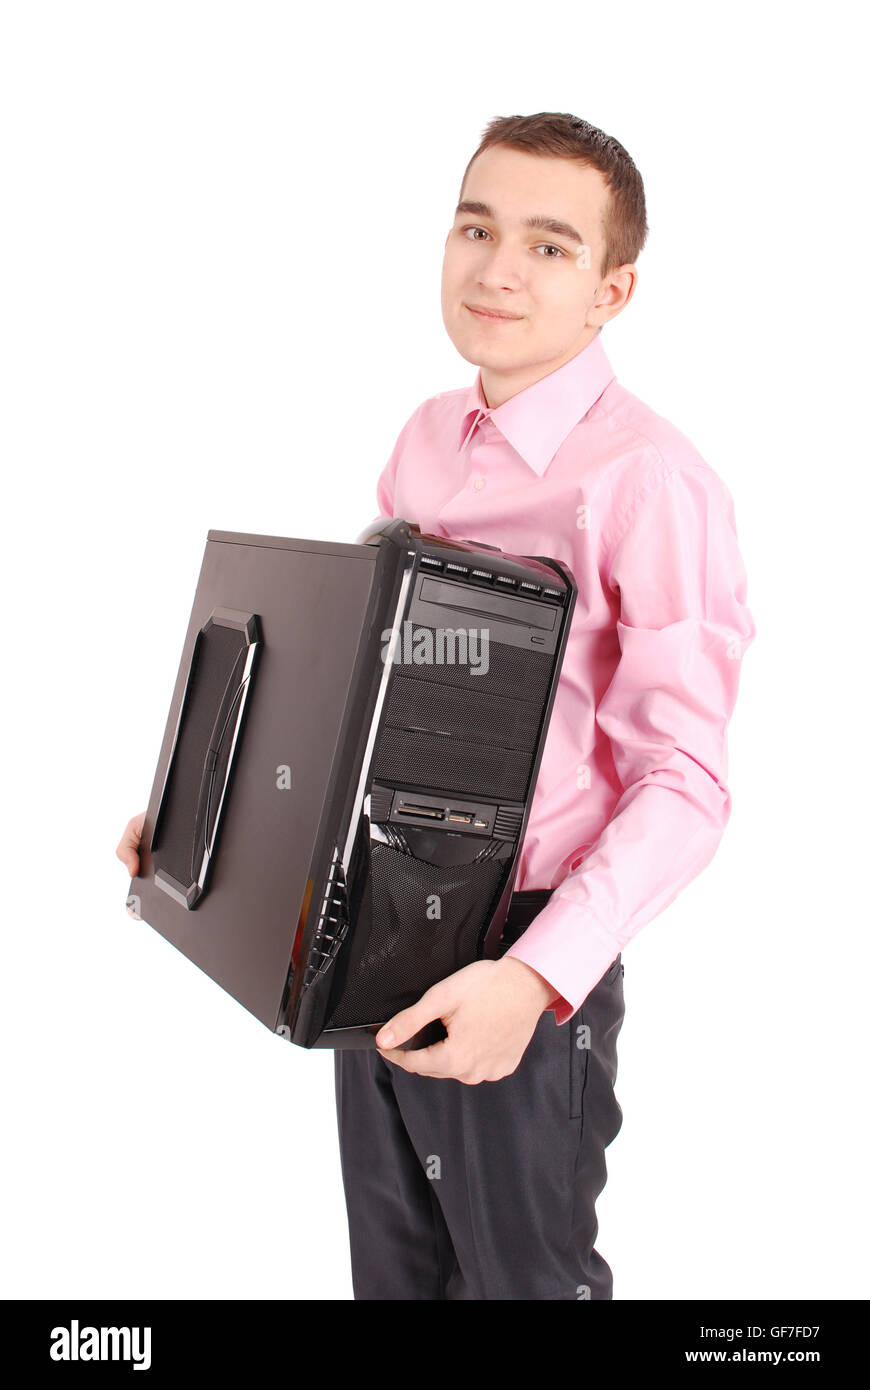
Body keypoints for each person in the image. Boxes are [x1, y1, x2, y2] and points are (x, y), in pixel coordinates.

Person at [118, 112, 756, 1300]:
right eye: (477, 225)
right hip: (376, 925)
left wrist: (536, 978)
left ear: (613, 289)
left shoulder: (654, 484)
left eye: (551, 246)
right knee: (396, 1280)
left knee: (522, 1283)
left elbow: (688, 785)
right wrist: (197, 806)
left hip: (523, 944)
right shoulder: (425, 437)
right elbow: (355, 683)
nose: (498, 268)